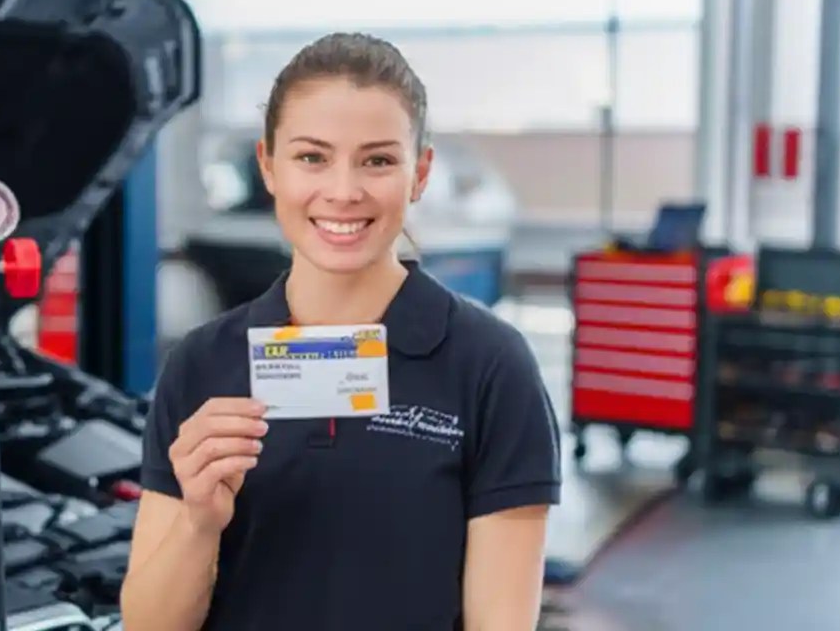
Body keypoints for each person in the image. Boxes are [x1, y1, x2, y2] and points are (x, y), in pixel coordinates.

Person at [119, 32, 561, 630]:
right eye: (312, 157)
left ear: (419, 173)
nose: (344, 191)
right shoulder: (202, 365)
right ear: (268, 166)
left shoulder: (489, 365)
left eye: (377, 160)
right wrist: (199, 520)